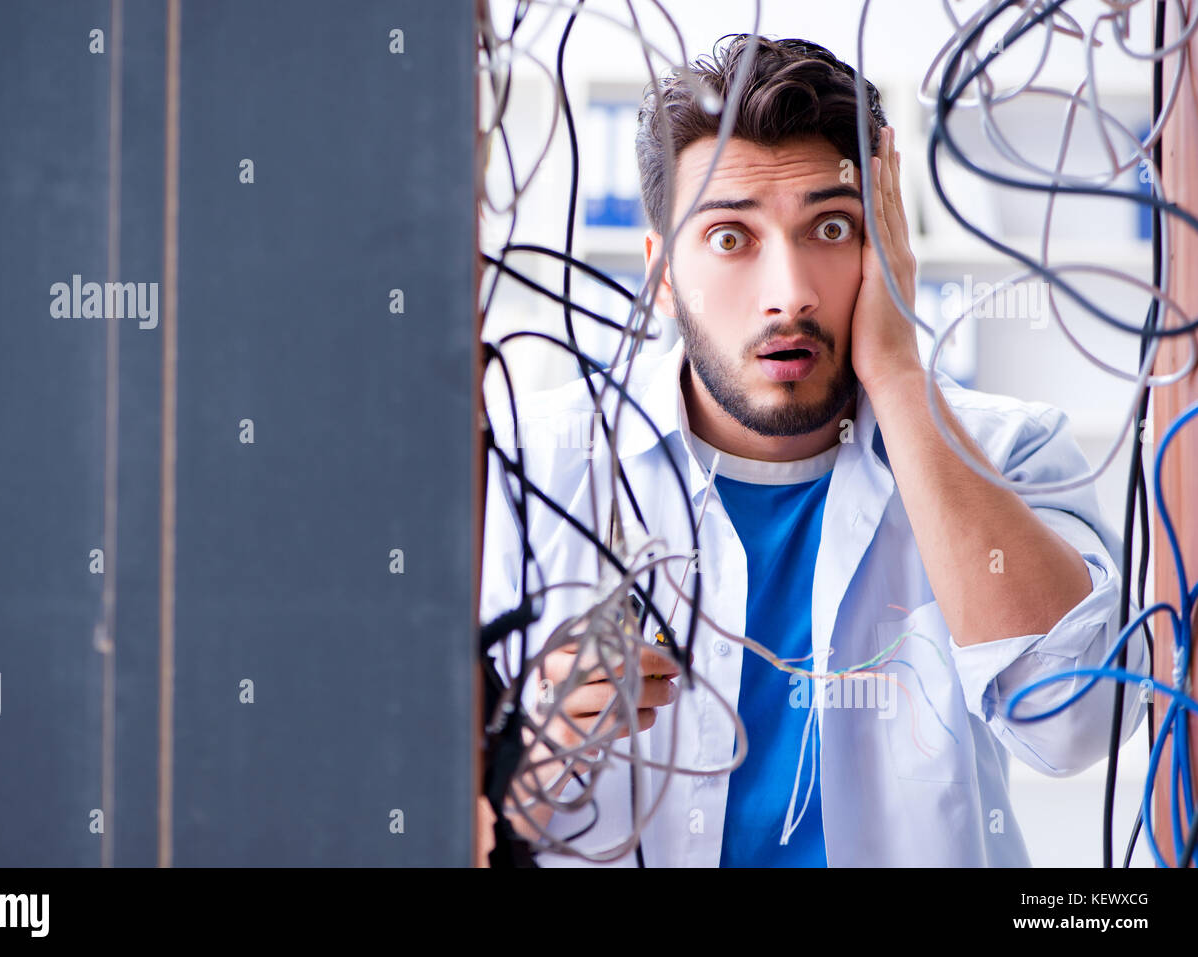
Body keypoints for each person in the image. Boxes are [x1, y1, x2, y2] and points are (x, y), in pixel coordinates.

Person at [479, 34, 1147, 867]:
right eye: (731, 238)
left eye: (832, 228)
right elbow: (436, 817)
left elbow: (1078, 724)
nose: (789, 292)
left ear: (888, 253)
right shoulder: (531, 468)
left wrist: (900, 374)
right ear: (660, 276)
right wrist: (544, 745)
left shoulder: (1003, 451)